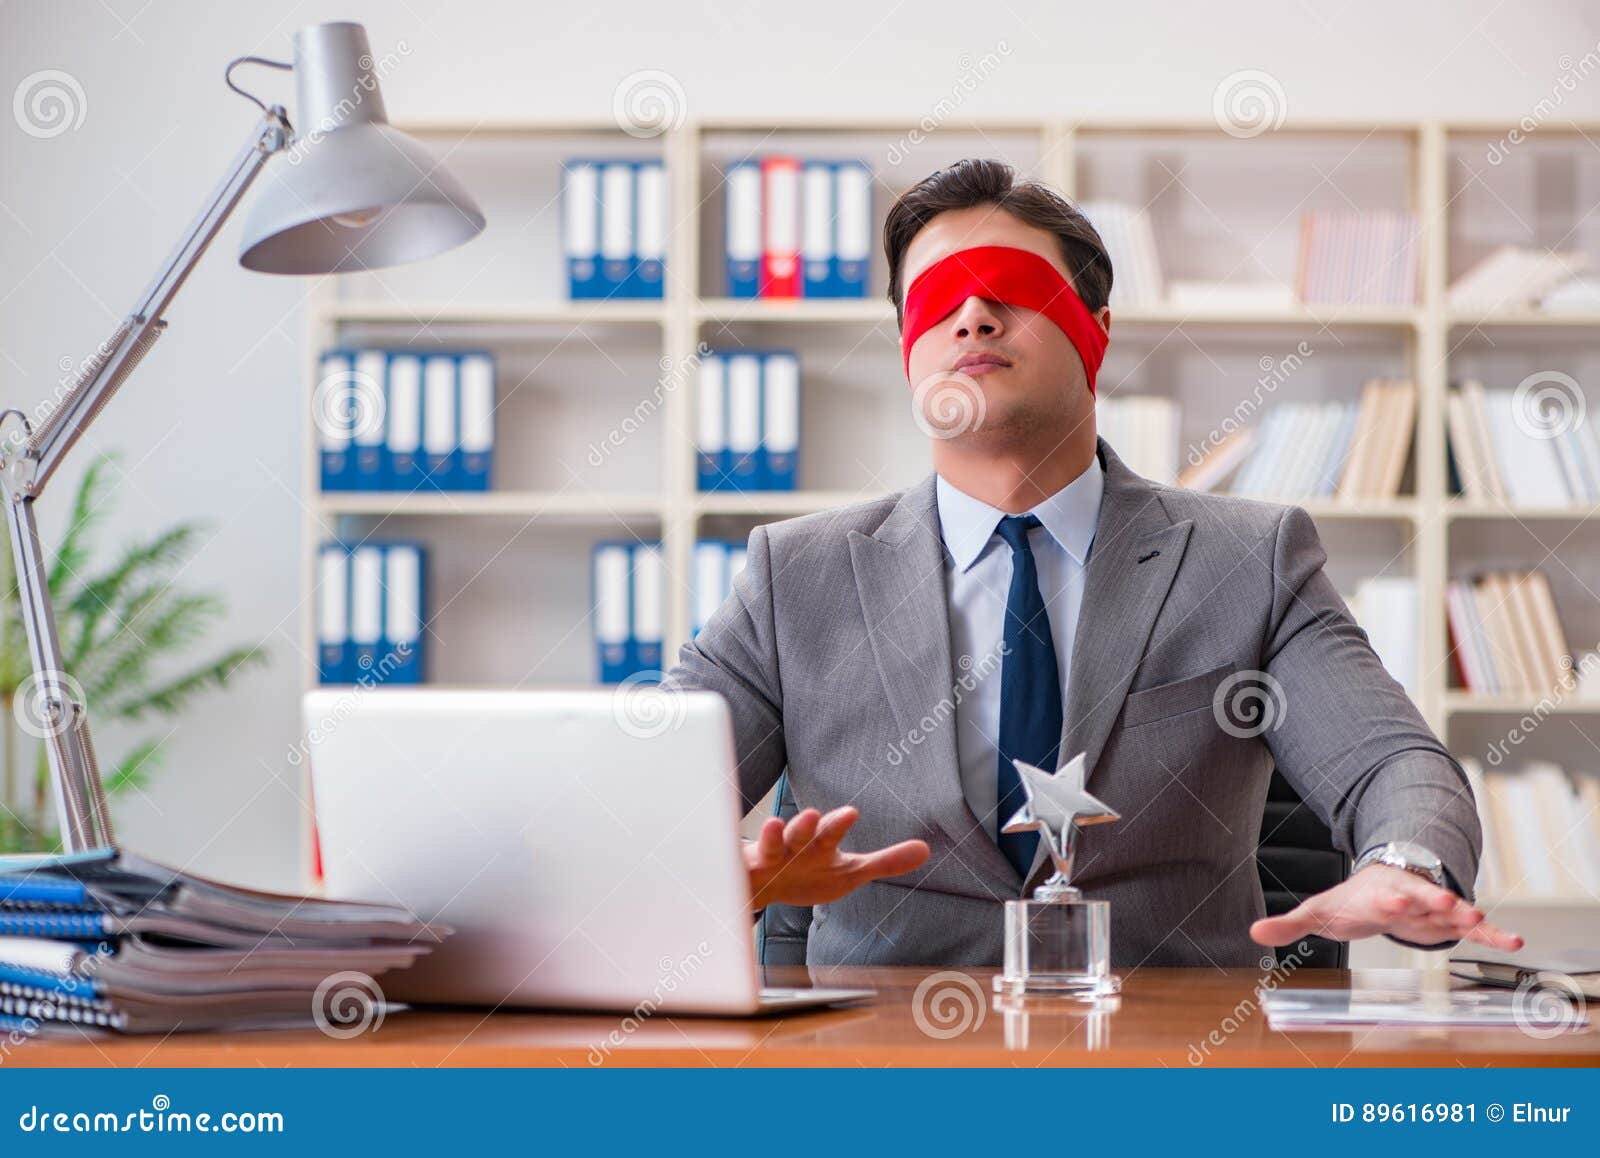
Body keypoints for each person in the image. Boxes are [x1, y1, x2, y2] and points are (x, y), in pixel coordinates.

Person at [661, 158, 1520, 968]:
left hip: (1170, 1068)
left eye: (1012, 292)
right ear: (906, 350)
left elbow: (1392, 762)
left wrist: (1402, 863)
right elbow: (638, 801)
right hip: (878, 1071)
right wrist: (711, 875)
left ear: (1094, 332)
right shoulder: (793, 577)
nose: (972, 318)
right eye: (936, 301)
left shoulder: (1247, 560)